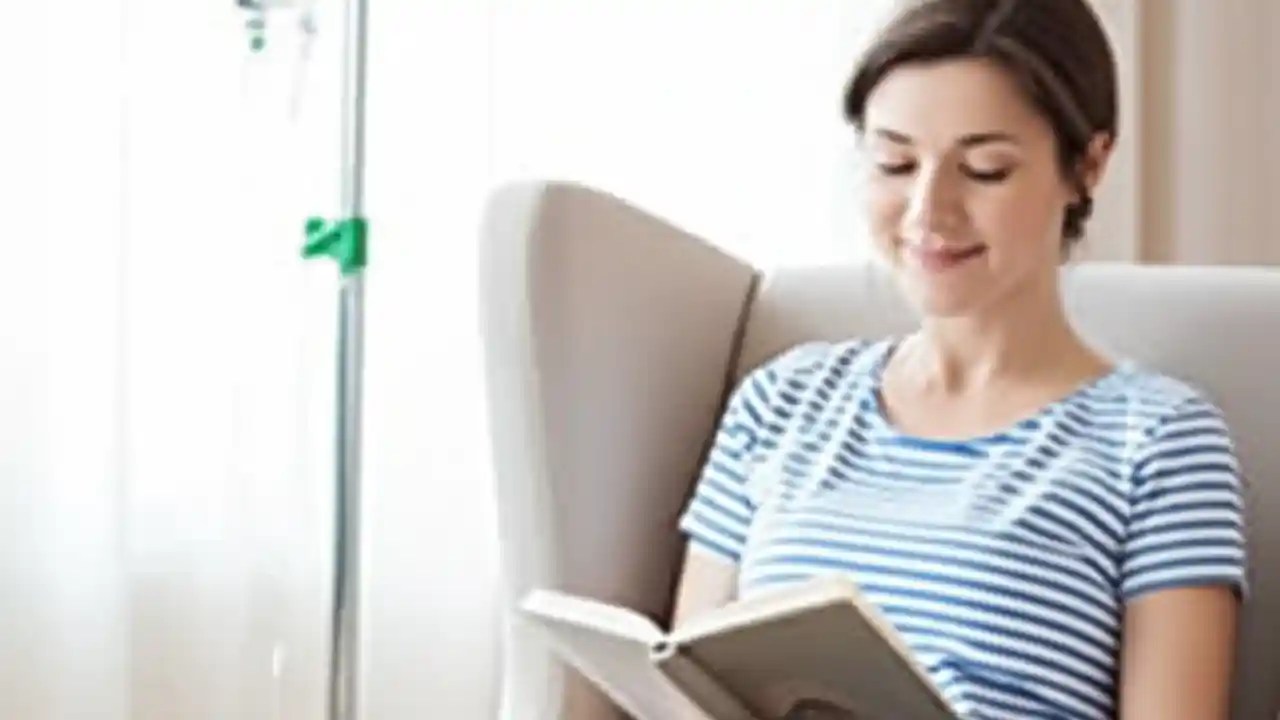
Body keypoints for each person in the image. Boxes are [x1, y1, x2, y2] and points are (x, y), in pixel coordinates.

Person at [671, 1, 1248, 718]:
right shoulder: (780, 401)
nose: (926, 212)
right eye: (895, 163)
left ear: (1088, 166)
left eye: (984, 169)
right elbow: (682, 684)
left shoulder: (1158, 439)